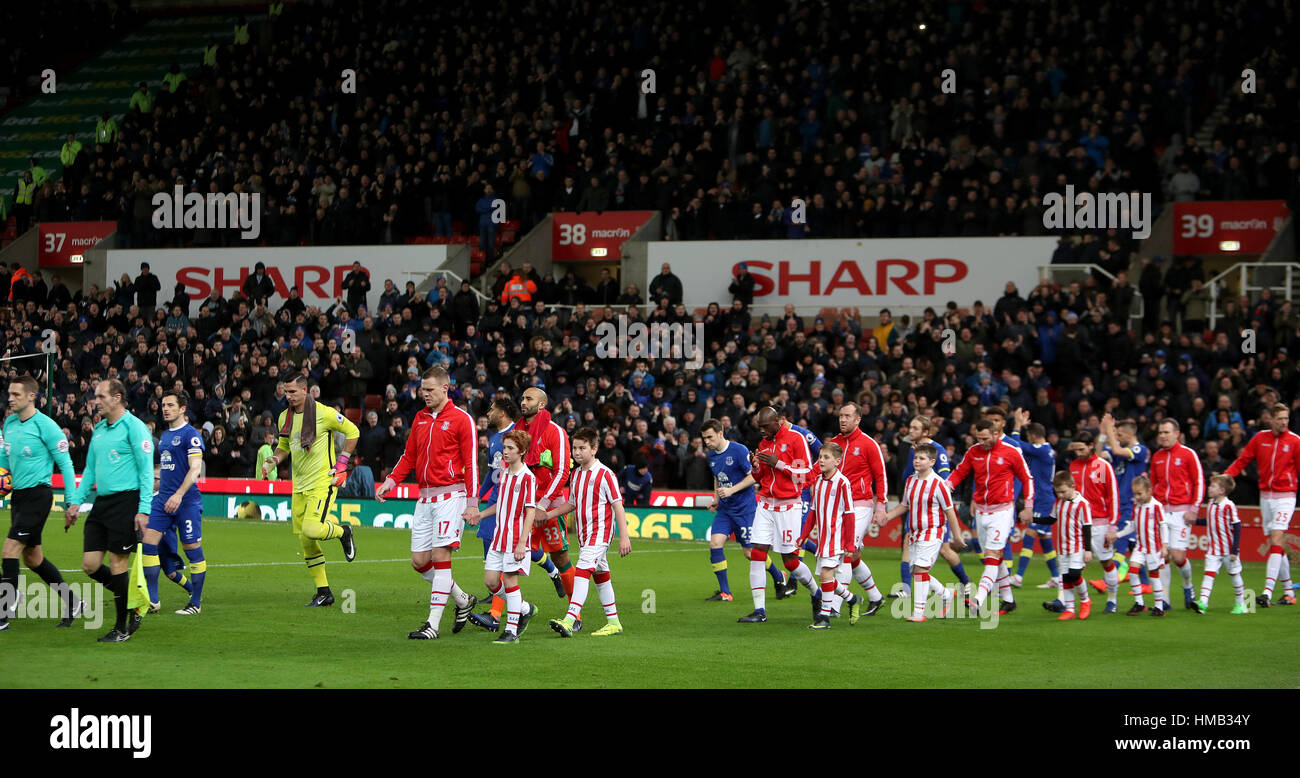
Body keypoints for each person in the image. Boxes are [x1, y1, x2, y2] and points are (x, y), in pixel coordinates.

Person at [375, 366, 479, 639]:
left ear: (445, 388)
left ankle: (432, 624)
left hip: (451, 496)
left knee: (440, 557)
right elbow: (409, 455)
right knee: (420, 562)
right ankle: (462, 600)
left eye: (430, 390)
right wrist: (391, 481)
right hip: (424, 498)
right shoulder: (420, 418)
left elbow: (471, 463)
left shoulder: (462, 419)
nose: (425, 395)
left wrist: (472, 502)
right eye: (423, 390)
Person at [64, 380, 155, 642]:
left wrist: (143, 510)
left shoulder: (135, 428)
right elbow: (90, 470)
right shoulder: (100, 429)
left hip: (126, 502)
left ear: (117, 398)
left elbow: (146, 472)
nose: (96, 400)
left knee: (117, 563)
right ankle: (134, 603)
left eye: (101, 396)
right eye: (96, 396)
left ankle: (121, 628)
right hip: (102, 504)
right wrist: (75, 503)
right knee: (90, 565)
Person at [260, 374, 359, 606]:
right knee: (306, 540)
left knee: (312, 529)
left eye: (293, 392)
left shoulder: (324, 413)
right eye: (286, 392)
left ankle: (344, 532)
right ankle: (324, 592)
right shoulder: (285, 416)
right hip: (300, 486)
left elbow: (353, 431)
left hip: (322, 483)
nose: (288, 396)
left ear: (306, 390)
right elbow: (284, 446)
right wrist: (274, 459)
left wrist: (343, 463)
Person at [0, 375, 82, 631]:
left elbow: (66, 464)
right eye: (10, 394)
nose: (10, 398)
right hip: (19, 497)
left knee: (10, 549)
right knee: (33, 559)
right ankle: (73, 602)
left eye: (16, 394)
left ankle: (3, 614)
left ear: (31, 396)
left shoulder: (46, 426)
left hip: (39, 495)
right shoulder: (9, 424)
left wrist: (71, 501)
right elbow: (4, 462)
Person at [546, 427, 632, 637]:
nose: (576, 452)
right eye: (574, 448)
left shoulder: (605, 474)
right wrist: (548, 515)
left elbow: (618, 505)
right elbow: (572, 503)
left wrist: (624, 537)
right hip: (585, 536)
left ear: (594, 449)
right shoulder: (575, 474)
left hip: (599, 534)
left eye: (582, 448)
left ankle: (569, 619)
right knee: (601, 575)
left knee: (582, 571)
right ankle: (613, 622)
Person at [737, 406, 817, 623]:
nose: (762, 431)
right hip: (765, 503)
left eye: (765, 426)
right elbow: (761, 476)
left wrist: (778, 463)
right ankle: (759, 610)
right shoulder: (764, 443)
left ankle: (815, 592)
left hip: (788, 505)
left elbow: (807, 475)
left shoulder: (796, 440)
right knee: (757, 552)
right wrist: (756, 467)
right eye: (759, 427)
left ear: (778, 421)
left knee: (790, 561)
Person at [949, 417, 1034, 616]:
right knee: (997, 557)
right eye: (979, 438)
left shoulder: (1011, 452)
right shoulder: (973, 452)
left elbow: (1026, 478)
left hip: (1002, 511)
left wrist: (1028, 506)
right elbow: (960, 472)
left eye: (985, 438)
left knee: (991, 556)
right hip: (980, 511)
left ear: (996, 434)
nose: (982, 442)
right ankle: (1009, 600)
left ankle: (978, 599)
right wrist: (946, 486)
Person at [1224, 403, 1299, 607]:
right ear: (1271, 419)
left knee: (1276, 537)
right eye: (1281, 418)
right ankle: (1289, 593)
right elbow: (1242, 460)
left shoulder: (1295, 441)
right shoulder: (1260, 439)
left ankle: (1267, 591)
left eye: (1286, 418)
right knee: (1277, 543)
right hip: (1265, 497)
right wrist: (1226, 476)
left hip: (1286, 495)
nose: (1284, 422)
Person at [701, 419, 783, 601]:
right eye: (704, 438)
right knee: (715, 544)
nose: (707, 442)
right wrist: (716, 499)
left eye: (710, 437)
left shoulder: (739, 451)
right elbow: (718, 478)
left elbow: (753, 477)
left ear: (720, 433)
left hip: (745, 509)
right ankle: (725, 592)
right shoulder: (711, 456)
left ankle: (778, 577)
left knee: (750, 553)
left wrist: (730, 490)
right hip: (725, 510)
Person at [881, 442, 964, 622]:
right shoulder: (911, 480)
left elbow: (950, 511)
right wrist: (887, 516)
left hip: (933, 531)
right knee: (916, 571)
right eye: (916, 458)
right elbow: (904, 505)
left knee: (920, 569)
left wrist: (956, 536)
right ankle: (946, 593)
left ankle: (919, 612)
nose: (917, 461)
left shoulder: (939, 484)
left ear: (932, 461)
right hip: (914, 532)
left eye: (922, 458)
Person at [142, 390, 206, 615]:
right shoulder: (165, 436)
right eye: (163, 405)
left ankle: (195, 603)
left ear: (182, 409)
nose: (165, 409)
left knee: (191, 549)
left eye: (170, 405)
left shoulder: (191, 435)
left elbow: (195, 468)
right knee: (148, 544)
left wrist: (178, 495)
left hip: (185, 501)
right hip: (162, 501)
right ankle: (153, 600)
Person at [896, 414, 970, 598]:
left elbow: (945, 481)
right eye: (910, 427)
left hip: (932, 511)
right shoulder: (913, 450)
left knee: (946, 551)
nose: (910, 431)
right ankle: (906, 588)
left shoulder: (938, 450)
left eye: (915, 428)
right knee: (907, 543)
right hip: (915, 506)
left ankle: (965, 583)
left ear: (925, 432)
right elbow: (907, 476)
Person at [476, 429, 538, 643]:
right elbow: (499, 504)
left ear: (522, 451)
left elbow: (531, 510)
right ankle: (523, 608)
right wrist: (481, 514)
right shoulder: (503, 474)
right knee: (491, 581)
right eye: (505, 448)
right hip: (499, 537)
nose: (506, 452)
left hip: (515, 540)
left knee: (510, 581)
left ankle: (511, 631)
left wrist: (522, 542)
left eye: (510, 448)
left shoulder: (527, 477)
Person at [824, 403, 887, 615]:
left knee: (843, 551)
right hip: (837, 506)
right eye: (840, 415)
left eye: (847, 416)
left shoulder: (869, 444)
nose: (842, 419)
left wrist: (881, 505)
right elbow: (820, 471)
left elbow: (880, 476)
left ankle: (834, 607)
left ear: (857, 419)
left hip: (861, 505)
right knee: (853, 554)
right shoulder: (834, 444)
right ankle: (876, 597)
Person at [797, 443, 865, 629]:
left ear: (837, 461)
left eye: (826, 457)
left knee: (826, 574)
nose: (821, 460)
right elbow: (812, 512)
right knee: (826, 578)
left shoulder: (842, 482)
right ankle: (852, 599)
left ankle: (824, 617)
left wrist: (850, 544)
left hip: (837, 537)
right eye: (820, 457)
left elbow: (850, 515)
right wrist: (803, 536)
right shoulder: (818, 481)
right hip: (823, 538)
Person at [517, 387, 576, 595]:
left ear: (541, 405)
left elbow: (562, 472)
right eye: (522, 398)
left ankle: (574, 614)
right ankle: (496, 615)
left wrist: (542, 506)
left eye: (529, 398)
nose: (523, 402)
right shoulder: (517, 433)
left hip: (548, 507)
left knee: (560, 558)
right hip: (524, 506)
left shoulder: (555, 432)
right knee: (513, 553)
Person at [1148, 419, 1203, 612]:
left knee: (1178, 556)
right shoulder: (1157, 457)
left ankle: (1188, 585)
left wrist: (1193, 509)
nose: (1162, 435)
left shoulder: (1188, 454)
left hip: (1182, 511)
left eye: (1166, 432)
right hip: (1162, 512)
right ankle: (1164, 599)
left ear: (1177, 433)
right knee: (1162, 555)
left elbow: (1199, 481)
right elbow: (1153, 485)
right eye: (1160, 432)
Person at [1065, 430, 1123, 613]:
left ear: (1091, 446)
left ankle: (1112, 600)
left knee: (1106, 562)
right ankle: (1071, 603)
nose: (1078, 453)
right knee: (1073, 566)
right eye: (1076, 450)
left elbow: (1112, 495)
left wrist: (1113, 525)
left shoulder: (1103, 466)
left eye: (1081, 449)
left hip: (1099, 522)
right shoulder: (1073, 466)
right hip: (1077, 524)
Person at [1094, 414, 1152, 596]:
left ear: (1128, 433)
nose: (1116, 438)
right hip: (1118, 503)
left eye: (1119, 434)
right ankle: (1145, 583)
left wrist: (1110, 429)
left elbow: (1118, 451)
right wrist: (1103, 434)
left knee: (1120, 538)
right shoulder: (1119, 450)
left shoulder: (1139, 449)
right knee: (1132, 544)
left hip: (1132, 503)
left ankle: (1106, 581)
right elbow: (1097, 454)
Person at [1008, 416, 1061, 593]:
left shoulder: (1041, 449)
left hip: (1043, 500)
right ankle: (1056, 577)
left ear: (1034, 435)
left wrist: (1017, 426)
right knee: (1045, 540)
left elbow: (1016, 445)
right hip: (1042, 498)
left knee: (1029, 533)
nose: (1028, 438)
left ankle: (1019, 576)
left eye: (1029, 435)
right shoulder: (1046, 450)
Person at [1195, 474, 1247, 614]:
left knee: (1234, 575)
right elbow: (1210, 521)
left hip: (1228, 549)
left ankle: (1241, 603)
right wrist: (1194, 521)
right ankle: (1203, 602)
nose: (1209, 488)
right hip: (1213, 549)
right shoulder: (1211, 504)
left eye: (1213, 486)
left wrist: (1235, 550)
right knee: (1208, 574)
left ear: (1222, 490)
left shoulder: (1228, 505)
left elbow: (1237, 527)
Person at [1045, 471, 1093, 621]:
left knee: (1074, 575)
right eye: (1057, 492)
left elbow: (1087, 527)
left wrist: (1088, 550)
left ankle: (1085, 600)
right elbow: (1051, 520)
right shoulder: (1058, 502)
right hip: (1062, 547)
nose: (1060, 495)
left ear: (1073, 486)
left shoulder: (1082, 504)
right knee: (1065, 578)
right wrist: (1032, 518)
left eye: (1063, 491)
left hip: (1077, 546)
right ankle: (1070, 609)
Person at [1123, 476, 1167, 616]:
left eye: (1140, 493)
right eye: (1135, 494)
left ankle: (1159, 607)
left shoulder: (1156, 506)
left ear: (1149, 490)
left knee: (1154, 576)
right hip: (1140, 547)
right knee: (1132, 571)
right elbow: (1133, 526)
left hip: (1154, 548)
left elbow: (1163, 526)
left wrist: (1164, 546)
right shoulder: (1137, 507)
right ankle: (1139, 603)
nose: (1137, 497)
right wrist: (1117, 535)